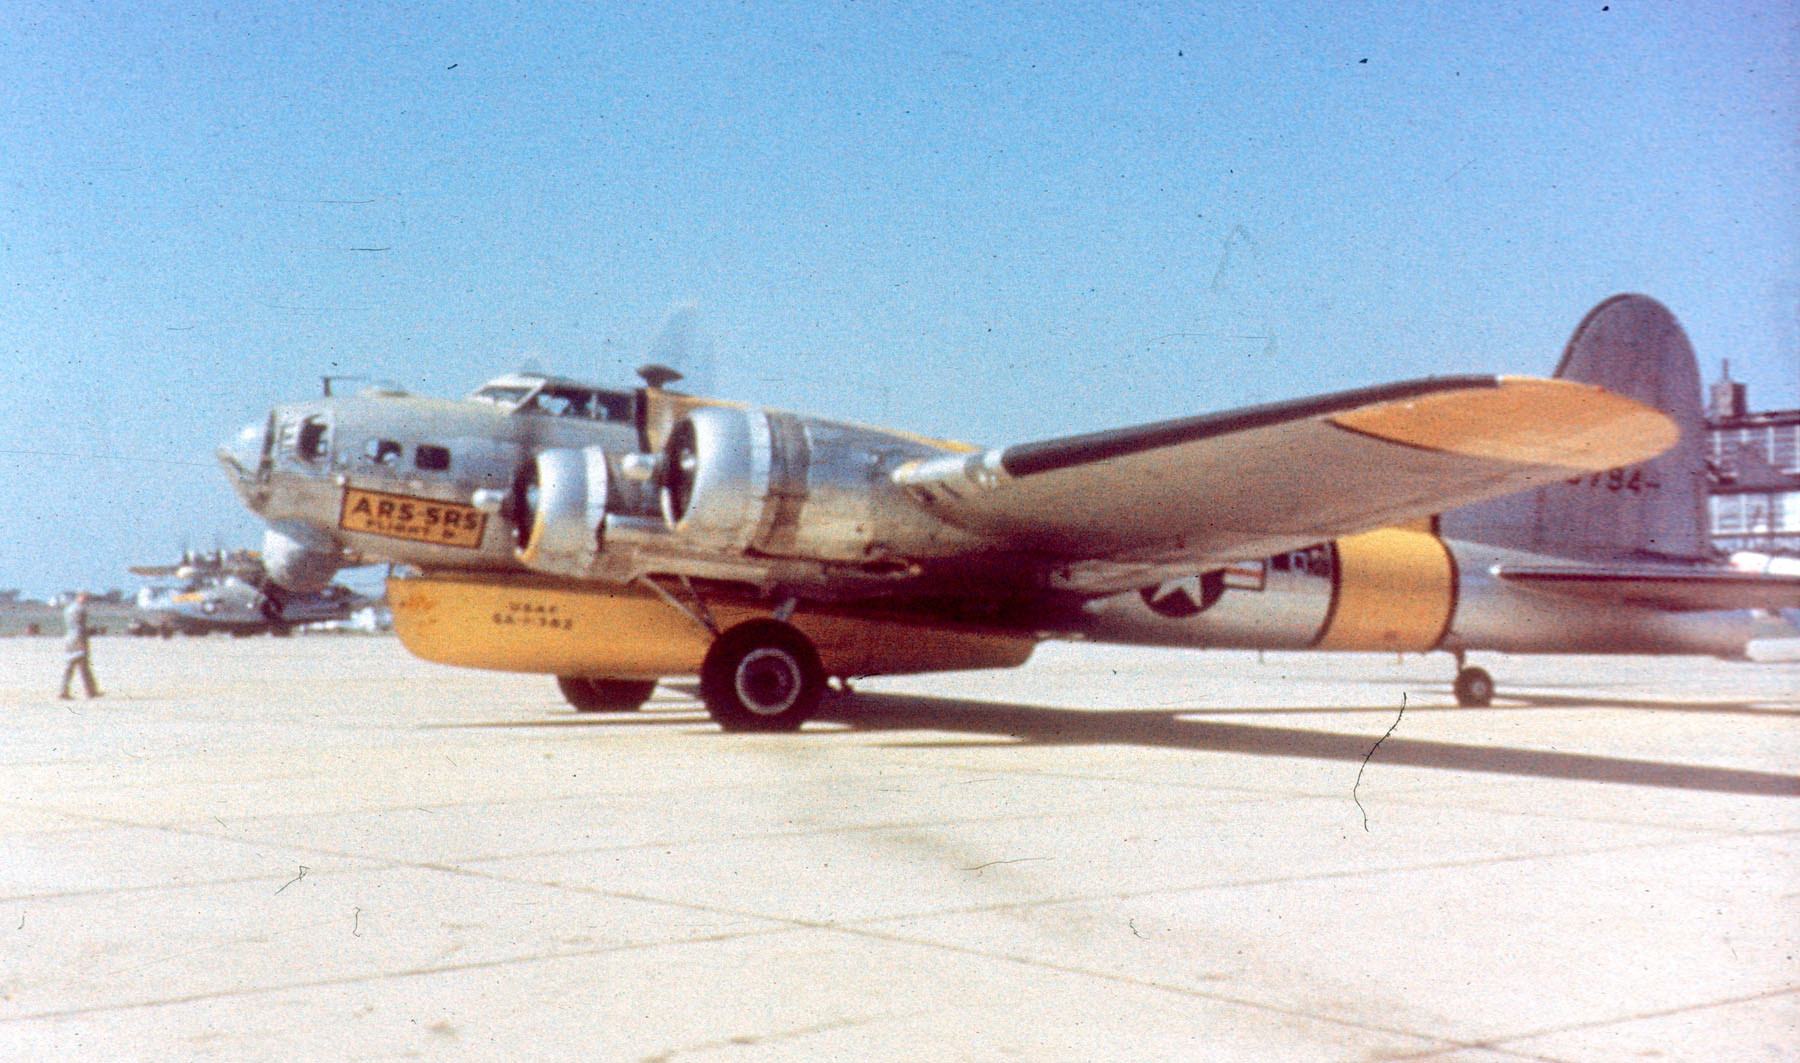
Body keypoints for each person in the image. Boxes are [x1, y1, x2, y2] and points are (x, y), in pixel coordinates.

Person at [59, 591, 102, 700]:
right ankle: (89, 691)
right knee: (80, 665)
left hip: (69, 637)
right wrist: (81, 642)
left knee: (75, 666)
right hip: (77, 637)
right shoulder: (80, 609)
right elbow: (79, 626)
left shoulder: (69, 608)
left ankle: (88, 690)